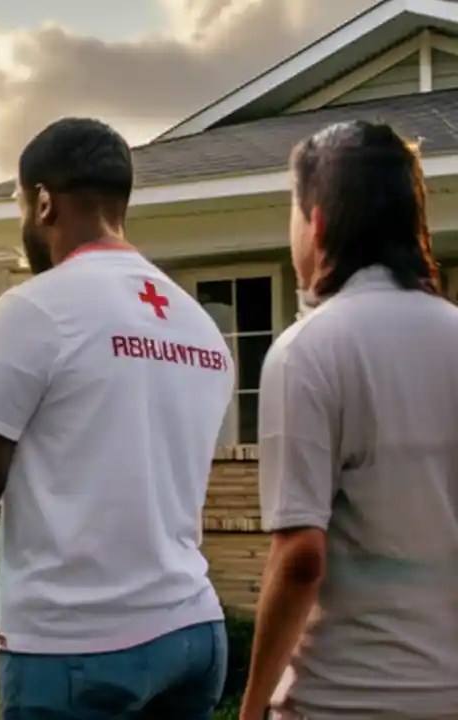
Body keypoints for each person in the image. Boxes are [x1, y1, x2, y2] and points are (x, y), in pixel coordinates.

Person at [0, 118, 236, 719]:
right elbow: (60, 471)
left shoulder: (36, 308)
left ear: (45, 201)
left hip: (79, 645)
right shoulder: (199, 328)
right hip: (192, 633)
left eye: (20, 205)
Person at [239, 121, 458, 720]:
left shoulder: (306, 352)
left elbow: (301, 556)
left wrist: (251, 707)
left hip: (344, 699)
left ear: (318, 222)